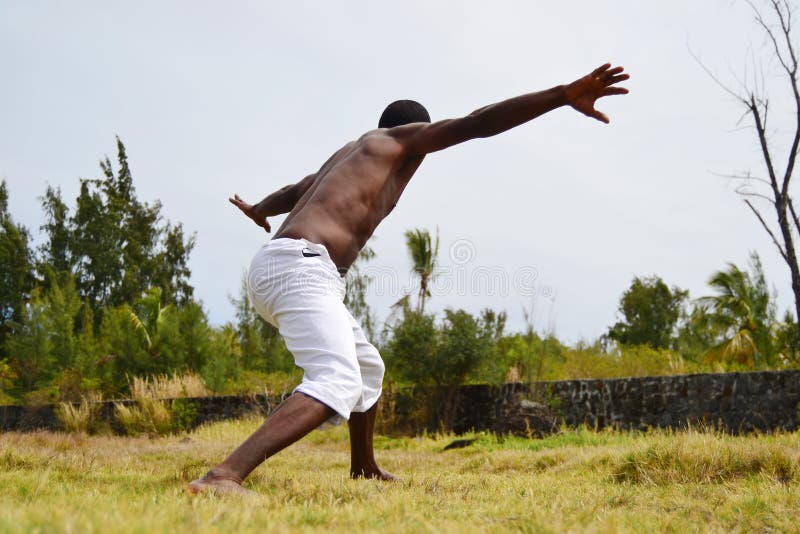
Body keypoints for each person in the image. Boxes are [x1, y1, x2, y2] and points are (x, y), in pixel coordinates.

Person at [187, 63, 629, 495]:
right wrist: (561, 95)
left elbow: (295, 190)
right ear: (417, 134)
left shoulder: (350, 156)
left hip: (283, 266)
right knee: (336, 378)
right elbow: (478, 122)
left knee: (366, 368)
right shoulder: (397, 142)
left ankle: (364, 467)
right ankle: (224, 475)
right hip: (301, 266)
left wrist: (260, 210)